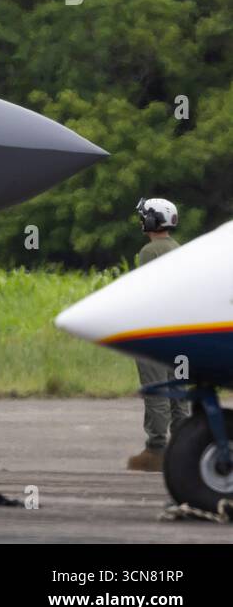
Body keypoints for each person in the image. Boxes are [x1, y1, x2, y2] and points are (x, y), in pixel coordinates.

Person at [126, 197, 190, 472]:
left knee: (157, 389)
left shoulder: (150, 251)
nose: (142, 221)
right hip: (181, 330)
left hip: (155, 329)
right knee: (178, 389)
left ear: (153, 220)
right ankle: (185, 445)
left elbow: (144, 292)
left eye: (145, 216)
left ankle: (156, 450)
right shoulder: (178, 248)